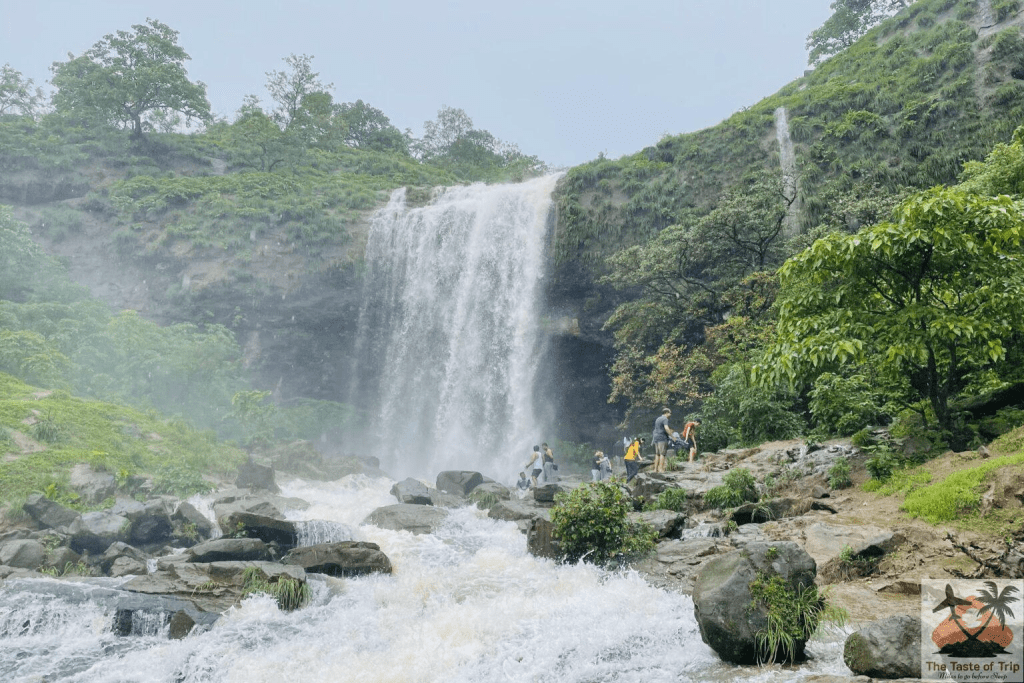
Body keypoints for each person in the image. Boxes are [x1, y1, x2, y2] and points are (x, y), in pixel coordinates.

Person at [652, 408, 674, 474]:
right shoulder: (665, 419)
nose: (670, 415)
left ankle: (655, 469)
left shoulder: (658, 419)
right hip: (662, 438)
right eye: (670, 413)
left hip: (656, 437)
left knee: (657, 454)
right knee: (662, 454)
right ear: (666, 413)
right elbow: (666, 428)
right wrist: (672, 436)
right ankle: (661, 469)